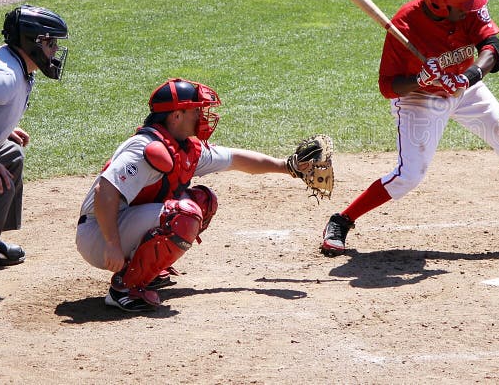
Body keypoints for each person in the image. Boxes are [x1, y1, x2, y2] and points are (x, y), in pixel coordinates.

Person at [320, 0, 499, 257]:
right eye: (463, 5)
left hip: (466, 88)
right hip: (419, 99)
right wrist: (418, 79)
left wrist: (469, 76)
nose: (470, 9)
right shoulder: (404, 26)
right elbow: (388, 86)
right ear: (440, 4)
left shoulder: (469, 5)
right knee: (409, 175)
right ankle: (342, 220)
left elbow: (491, 46)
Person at [76, 78, 325, 312]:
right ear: (176, 115)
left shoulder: (183, 147)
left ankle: (143, 272)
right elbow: (105, 191)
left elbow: (236, 159)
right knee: (183, 214)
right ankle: (124, 290)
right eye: (195, 110)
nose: (202, 115)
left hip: (122, 224)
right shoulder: (146, 149)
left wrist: (287, 167)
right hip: (99, 233)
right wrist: (112, 245)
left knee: (203, 201)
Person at [0, 5, 69, 300]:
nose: (55, 50)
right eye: (50, 42)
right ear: (32, 41)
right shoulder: (1, 77)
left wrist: (2, 131)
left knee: (10, 154)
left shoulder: (17, 65)